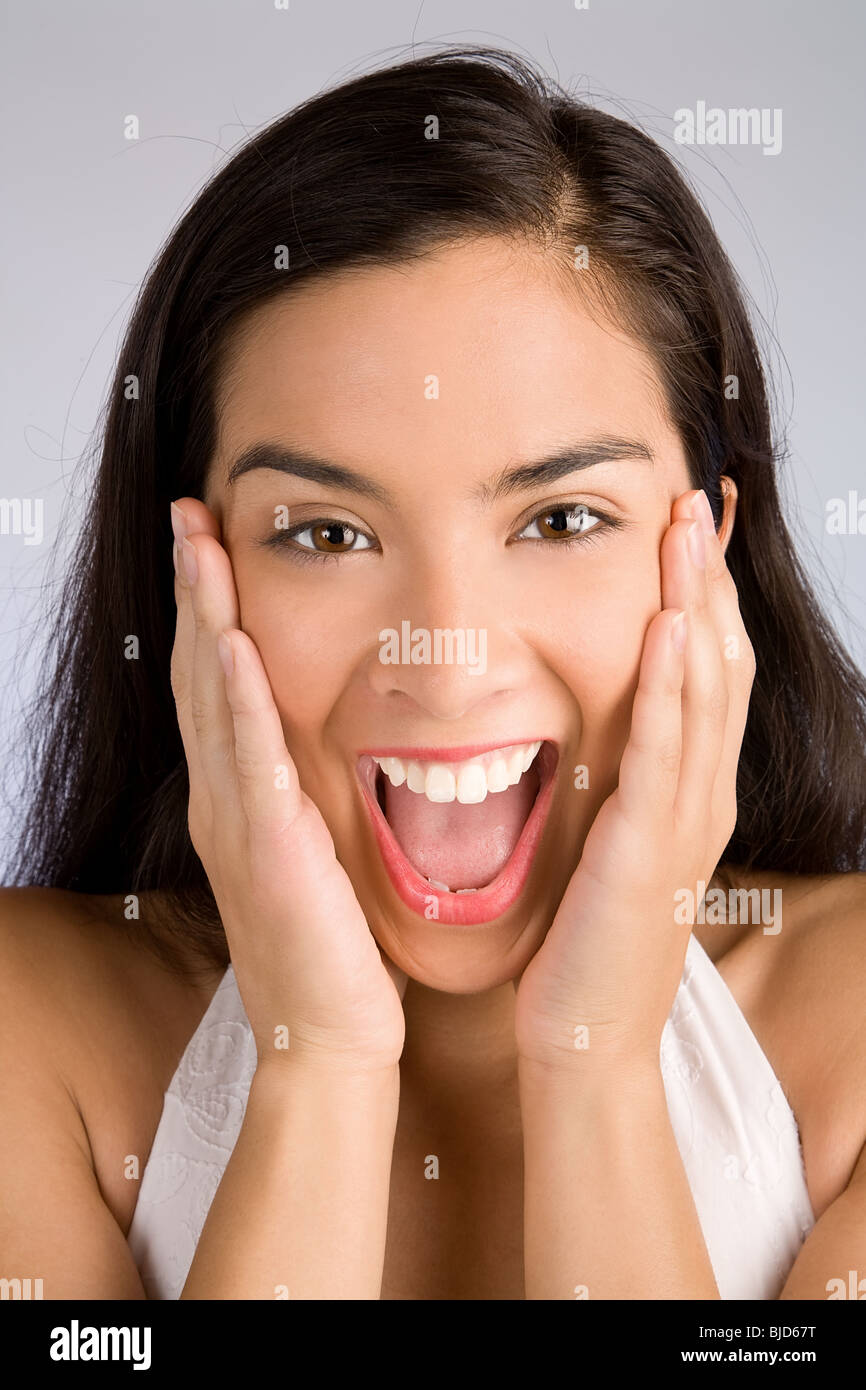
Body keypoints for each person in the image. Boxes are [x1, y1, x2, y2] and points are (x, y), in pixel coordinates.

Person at [1, 46, 864, 1301]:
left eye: (561, 520)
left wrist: (597, 1058)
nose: (447, 657)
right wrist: (317, 1065)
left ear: (707, 557)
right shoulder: (32, 1033)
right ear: (195, 573)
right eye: (326, 534)